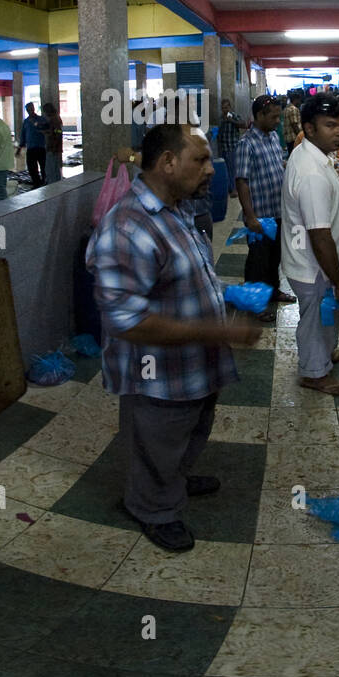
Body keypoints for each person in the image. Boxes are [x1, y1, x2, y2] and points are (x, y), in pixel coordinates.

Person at [88, 122, 264, 554]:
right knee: (156, 441)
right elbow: (126, 320)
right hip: (159, 373)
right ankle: (151, 507)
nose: (209, 169)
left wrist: (223, 299)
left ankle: (173, 479)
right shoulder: (127, 227)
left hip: (195, 364)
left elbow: (183, 278)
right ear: (167, 162)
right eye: (200, 160)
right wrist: (216, 329)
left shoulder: (178, 208)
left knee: (188, 432)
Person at [280, 89, 339, 397]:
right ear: (310, 128)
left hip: (315, 263)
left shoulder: (310, 154)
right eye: (330, 125)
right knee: (314, 318)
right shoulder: (311, 171)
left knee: (327, 311)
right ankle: (315, 373)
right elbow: (319, 234)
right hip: (314, 265)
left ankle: (326, 352)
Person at [234, 96, 288, 303]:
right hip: (260, 216)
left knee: (275, 257)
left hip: (277, 211)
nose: (277, 122)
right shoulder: (246, 144)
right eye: (274, 117)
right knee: (258, 261)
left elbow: (278, 164)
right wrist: (250, 216)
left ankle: (274, 292)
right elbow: (242, 182)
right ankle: (255, 302)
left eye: (278, 117)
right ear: (259, 115)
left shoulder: (273, 137)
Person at [19, 102, 45, 184]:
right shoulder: (26, 122)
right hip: (31, 148)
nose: (30, 110)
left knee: (43, 166)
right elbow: (23, 135)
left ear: (34, 108)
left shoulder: (41, 119)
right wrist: (19, 148)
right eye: (28, 109)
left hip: (41, 147)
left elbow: (46, 129)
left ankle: (45, 181)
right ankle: (36, 183)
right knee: (32, 168)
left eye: (31, 108)